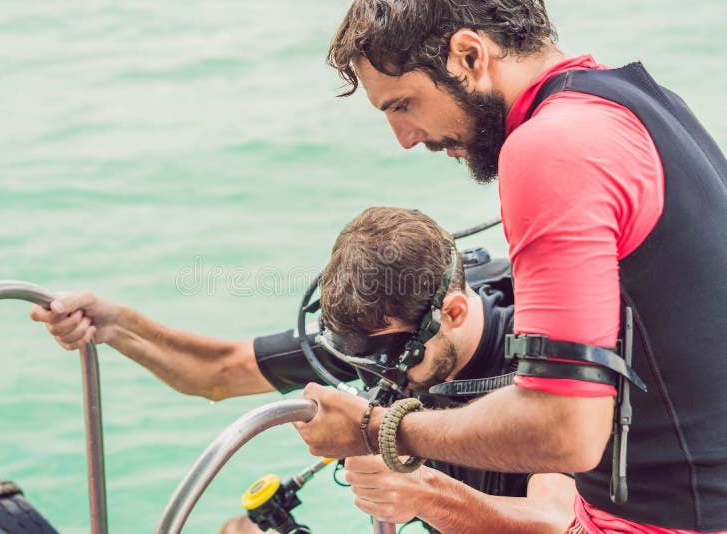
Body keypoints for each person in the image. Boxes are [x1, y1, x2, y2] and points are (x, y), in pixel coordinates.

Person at [294, 1, 727, 533]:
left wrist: (378, 428)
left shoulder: (549, 147)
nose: (405, 138)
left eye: (404, 104)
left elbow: (563, 429)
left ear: (469, 55)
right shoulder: (641, 106)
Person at [30, 207, 575, 533]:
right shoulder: (381, 336)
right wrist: (117, 325)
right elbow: (216, 372)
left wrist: (424, 494)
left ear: (451, 313)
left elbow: (559, 523)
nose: (383, 377)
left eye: (392, 359)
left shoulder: (543, 359)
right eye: (361, 357)